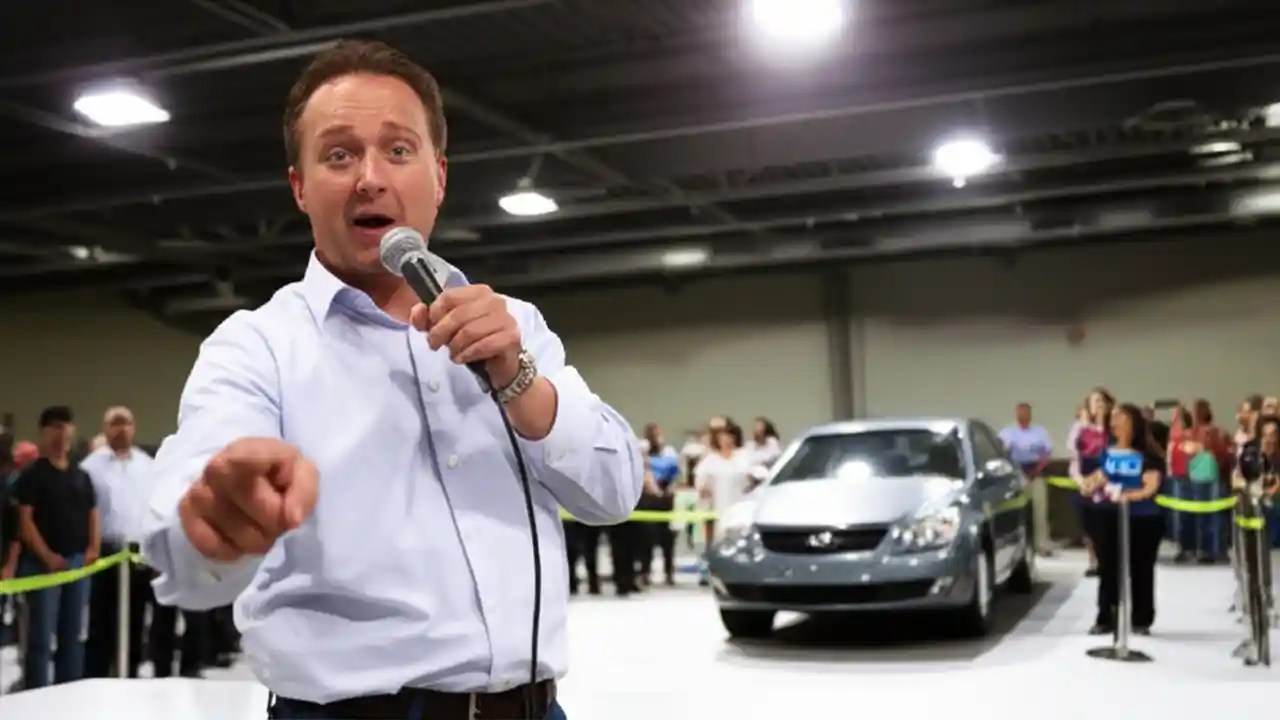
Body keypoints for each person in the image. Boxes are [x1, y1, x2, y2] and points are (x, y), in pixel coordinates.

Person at [139, 39, 642, 720]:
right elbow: (185, 557)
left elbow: (615, 491)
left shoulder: (514, 325)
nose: (370, 178)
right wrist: (213, 520)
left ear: (439, 176)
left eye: (399, 150)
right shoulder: (257, 348)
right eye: (338, 155)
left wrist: (518, 378)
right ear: (299, 187)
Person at [13, 406, 99, 688]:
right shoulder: (32, 475)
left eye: (66, 427)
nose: (62, 434)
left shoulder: (81, 475)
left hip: (77, 563)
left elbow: (92, 513)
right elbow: (25, 522)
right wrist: (47, 556)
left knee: (73, 634)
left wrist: (93, 547)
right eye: (55, 427)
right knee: (40, 636)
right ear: (44, 432)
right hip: (42, 566)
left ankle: (69, 689)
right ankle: (36, 690)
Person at [79, 406, 155, 678]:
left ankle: (130, 673)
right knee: (101, 620)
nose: (122, 429)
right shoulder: (90, 467)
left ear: (134, 428)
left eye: (127, 423)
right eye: (115, 423)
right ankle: (96, 676)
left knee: (135, 618)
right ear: (105, 428)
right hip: (104, 552)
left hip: (137, 553)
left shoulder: (147, 465)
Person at [1080, 403, 1165, 636]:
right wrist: (1089, 484)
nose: (1115, 422)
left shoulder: (1148, 457)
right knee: (1108, 568)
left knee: (1141, 568)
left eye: (1121, 418)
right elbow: (1099, 477)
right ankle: (1106, 616)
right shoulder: (1108, 454)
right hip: (1110, 516)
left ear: (1133, 424)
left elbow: (1150, 486)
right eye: (1114, 418)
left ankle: (1141, 618)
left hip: (1143, 519)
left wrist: (1129, 495)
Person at [999, 402, 1054, 555]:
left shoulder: (1040, 432)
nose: (1023, 415)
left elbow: (1046, 454)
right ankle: (1016, 547)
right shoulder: (1008, 432)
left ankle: (1042, 545)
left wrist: (1036, 471)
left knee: (1040, 511)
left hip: (1037, 473)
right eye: (1020, 412)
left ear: (1030, 414)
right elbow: (1002, 453)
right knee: (1015, 512)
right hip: (1017, 474)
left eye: (1026, 412)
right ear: (1016, 414)